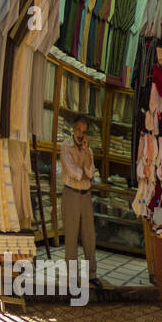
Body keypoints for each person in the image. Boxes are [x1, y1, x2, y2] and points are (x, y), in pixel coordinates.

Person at [62, 116, 100, 289]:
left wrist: (85, 152)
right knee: (71, 236)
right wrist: (83, 170)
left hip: (86, 195)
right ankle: (71, 277)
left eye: (84, 132)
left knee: (89, 235)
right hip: (71, 194)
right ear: (73, 129)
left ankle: (91, 274)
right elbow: (74, 172)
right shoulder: (65, 146)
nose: (80, 135)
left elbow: (90, 173)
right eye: (78, 130)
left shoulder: (88, 151)